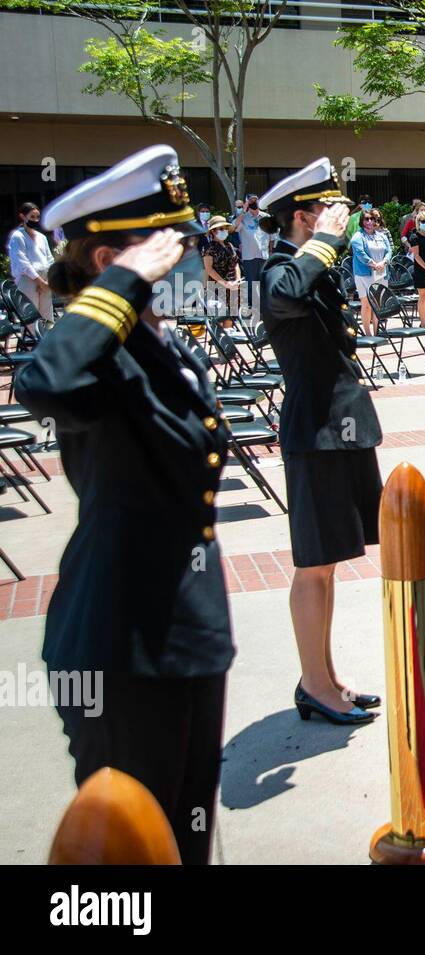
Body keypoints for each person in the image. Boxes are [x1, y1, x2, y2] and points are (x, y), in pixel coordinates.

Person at [16, 145, 231, 864]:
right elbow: (44, 380)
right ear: (111, 259)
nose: (187, 259)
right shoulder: (97, 354)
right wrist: (126, 283)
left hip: (187, 628)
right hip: (122, 645)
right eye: (168, 246)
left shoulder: (156, 343)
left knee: (185, 831)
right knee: (127, 857)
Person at [259, 157, 383, 726]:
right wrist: (326, 240)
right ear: (303, 217)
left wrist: (325, 244)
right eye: (329, 210)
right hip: (314, 434)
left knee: (330, 562)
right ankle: (313, 684)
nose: (342, 218)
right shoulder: (281, 271)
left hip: (340, 427)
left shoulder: (312, 267)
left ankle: (326, 677)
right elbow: (285, 289)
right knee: (313, 565)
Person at [7, 202, 55, 325]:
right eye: (32, 217)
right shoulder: (17, 236)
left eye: (37, 217)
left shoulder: (41, 237)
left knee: (47, 313)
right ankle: (32, 343)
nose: (35, 220)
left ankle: (47, 341)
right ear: (23, 217)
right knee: (31, 316)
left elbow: (49, 259)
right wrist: (39, 281)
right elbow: (23, 262)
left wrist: (47, 280)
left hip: (45, 277)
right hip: (28, 279)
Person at [350, 208, 392, 336]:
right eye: (366, 219)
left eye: (372, 219)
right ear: (362, 221)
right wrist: (374, 264)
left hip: (381, 273)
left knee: (378, 304)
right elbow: (360, 254)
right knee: (367, 304)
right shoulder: (358, 236)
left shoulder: (381, 235)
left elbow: (389, 251)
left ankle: (377, 332)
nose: (369, 221)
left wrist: (383, 263)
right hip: (364, 274)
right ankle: (368, 334)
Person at [201, 214, 243, 317]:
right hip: (217, 286)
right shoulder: (208, 248)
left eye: (225, 228)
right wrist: (225, 284)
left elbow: (235, 263)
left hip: (233, 286)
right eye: (220, 229)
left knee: (233, 316)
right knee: (221, 317)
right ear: (213, 231)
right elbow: (209, 269)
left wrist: (237, 281)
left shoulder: (230, 246)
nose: (224, 231)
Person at [233, 193, 266, 293]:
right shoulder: (243, 218)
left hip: (265, 256)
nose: (253, 202)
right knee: (252, 286)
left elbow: (272, 238)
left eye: (255, 200)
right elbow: (233, 227)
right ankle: (254, 307)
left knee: (265, 285)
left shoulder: (266, 217)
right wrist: (244, 210)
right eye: (250, 200)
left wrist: (271, 252)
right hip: (249, 257)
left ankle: (265, 308)